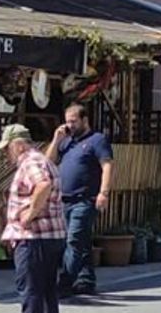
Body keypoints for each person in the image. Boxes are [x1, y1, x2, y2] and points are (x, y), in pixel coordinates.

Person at [0, 124, 67, 313]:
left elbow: (43, 184)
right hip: (51, 235)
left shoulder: (30, 162)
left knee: (30, 286)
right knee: (47, 287)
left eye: (7, 148)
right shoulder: (44, 160)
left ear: (18, 145)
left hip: (33, 235)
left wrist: (29, 214)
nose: (6, 153)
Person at [45, 104, 113, 297]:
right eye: (67, 121)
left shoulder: (97, 140)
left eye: (74, 121)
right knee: (80, 240)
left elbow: (107, 166)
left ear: (85, 120)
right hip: (64, 200)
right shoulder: (67, 142)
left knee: (74, 241)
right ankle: (86, 279)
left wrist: (104, 193)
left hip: (85, 199)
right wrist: (56, 139)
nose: (70, 125)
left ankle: (65, 283)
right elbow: (47, 162)